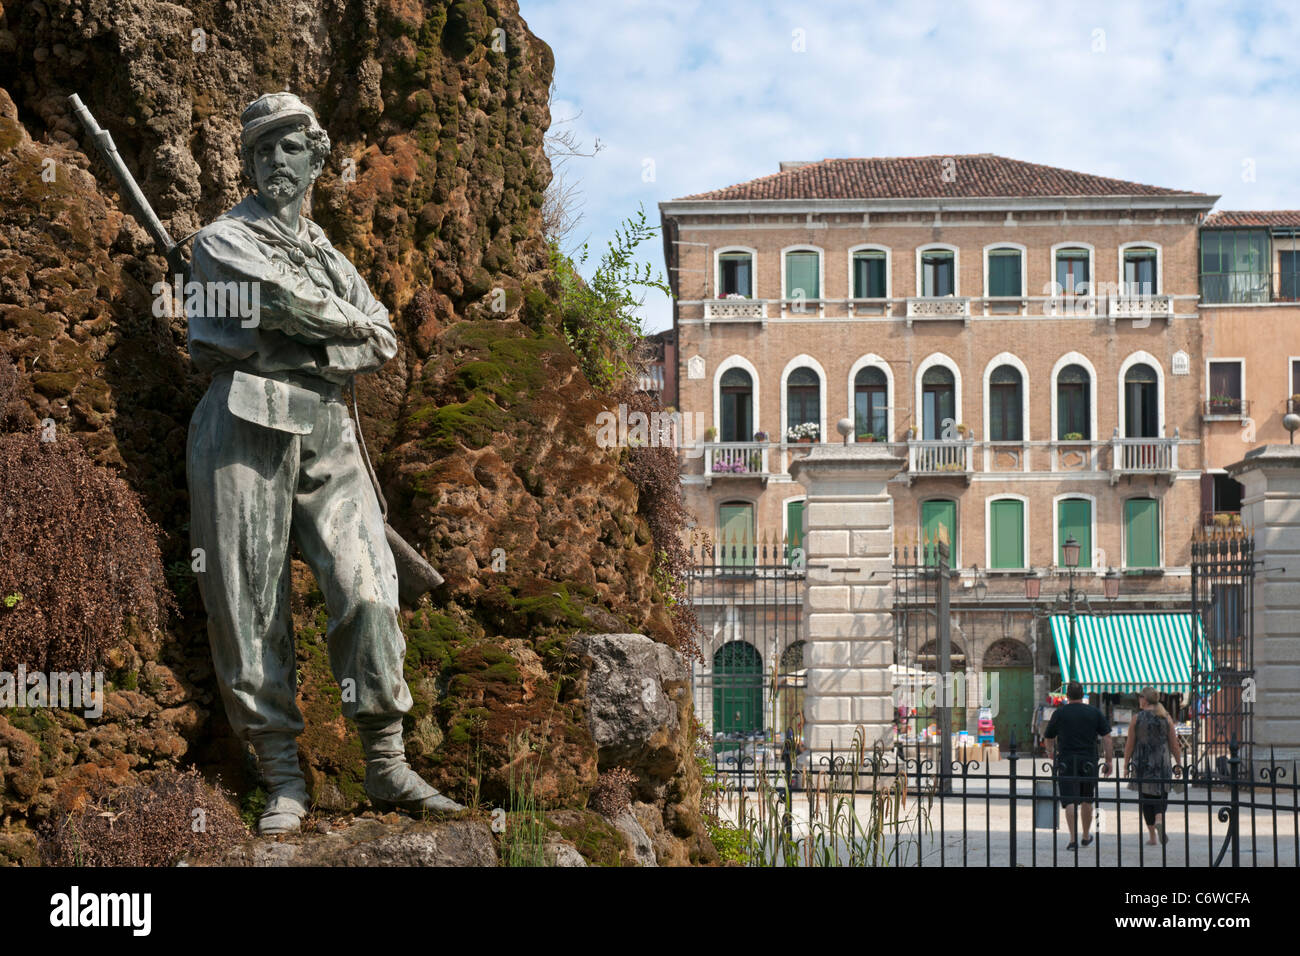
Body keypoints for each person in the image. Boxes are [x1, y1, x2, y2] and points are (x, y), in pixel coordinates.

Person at [186, 92, 463, 834]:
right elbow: (276, 298)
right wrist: (321, 325)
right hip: (243, 416)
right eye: (262, 149)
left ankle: (387, 761)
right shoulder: (219, 240)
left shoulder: (332, 256)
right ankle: (280, 774)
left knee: (369, 590)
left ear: (315, 158)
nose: (276, 160)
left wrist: (305, 327)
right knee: (248, 604)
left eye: (289, 147)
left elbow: (382, 340)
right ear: (248, 163)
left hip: (327, 426)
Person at [1043, 682, 1112, 850]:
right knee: (1087, 798)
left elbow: (1048, 737)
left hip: (1066, 760)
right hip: (1088, 760)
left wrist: (1050, 751)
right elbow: (1107, 738)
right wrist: (1108, 760)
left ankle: (1073, 839)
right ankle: (1086, 836)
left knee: (1069, 800)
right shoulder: (1094, 712)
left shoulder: (1059, 713)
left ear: (1067, 696)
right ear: (1083, 695)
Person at [1124, 686, 1182, 846]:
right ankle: (1159, 818)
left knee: (1145, 798)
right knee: (1161, 794)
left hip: (1142, 762)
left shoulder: (1137, 718)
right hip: (1162, 762)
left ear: (1144, 699)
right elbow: (1174, 744)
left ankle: (1152, 836)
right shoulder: (1166, 717)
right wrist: (1178, 763)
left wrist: (1125, 763)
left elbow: (1130, 744)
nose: (1138, 699)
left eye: (1140, 697)